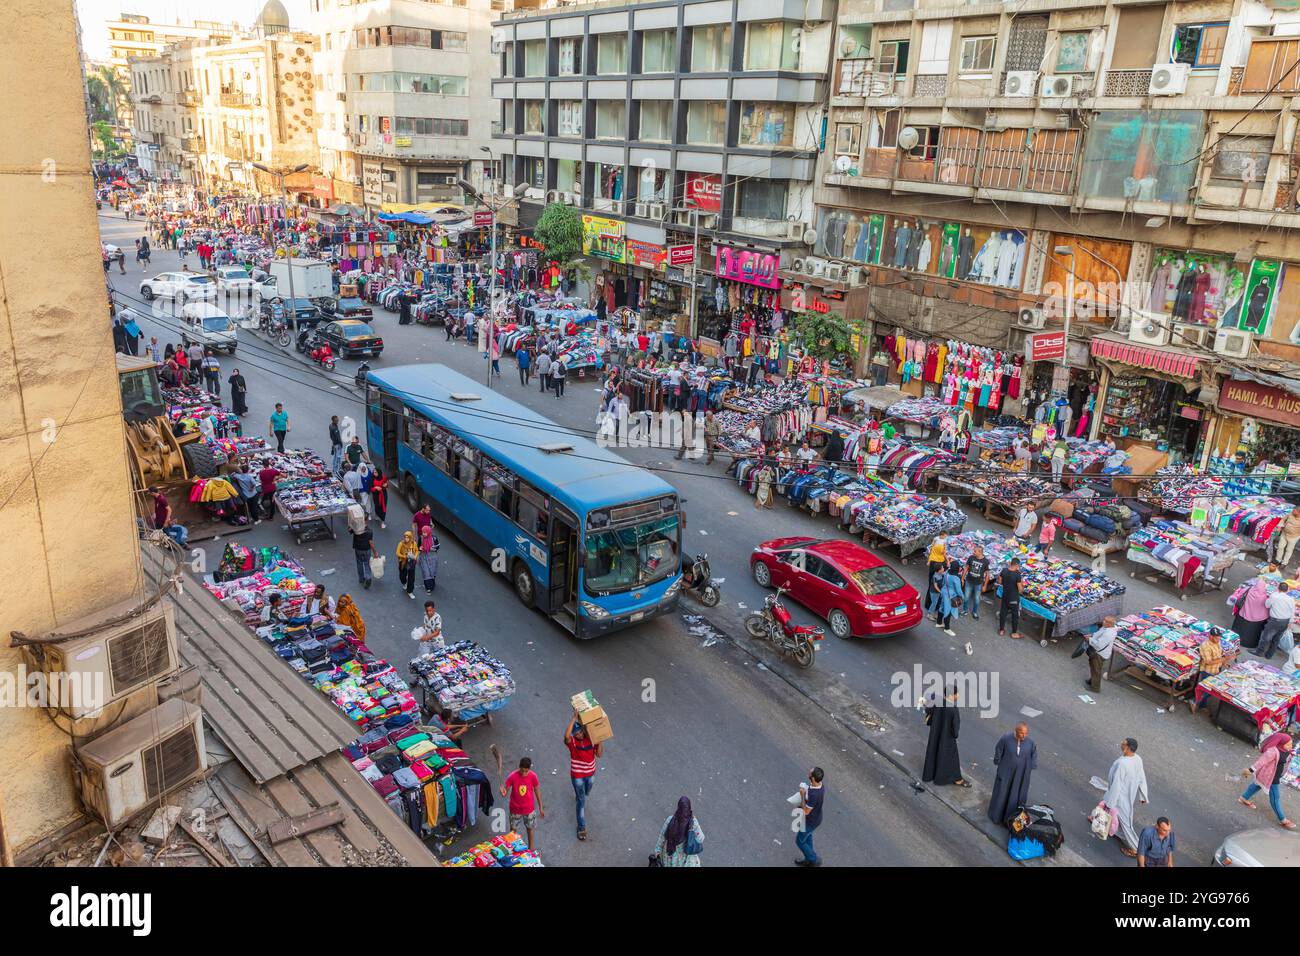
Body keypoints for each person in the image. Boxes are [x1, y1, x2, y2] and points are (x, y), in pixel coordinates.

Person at [1101, 737, 1149, 857]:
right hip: (1126, 794)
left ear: (1127, 748)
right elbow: (1141, 776)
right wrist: (1143, 795)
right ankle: (1103, 823)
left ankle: (1136, 848)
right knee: (1115, 814)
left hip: (1120, 798)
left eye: (1124, 743)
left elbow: (1117, 784)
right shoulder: (1137, 758)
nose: (1121, 743)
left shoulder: (1122, 763)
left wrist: (1110, 804)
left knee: (1126, 822)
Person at [1239, 732, 1296, 829]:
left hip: (1272, 776)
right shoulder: (1273, 751)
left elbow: (1286, 759)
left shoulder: (1286, 750)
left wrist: (1292, 754)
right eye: (1288, 744)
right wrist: (1250, 770)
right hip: (1270, 777)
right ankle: (1283, 819)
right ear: (1281, 743)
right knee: (1275, 798)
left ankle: (1243, 798)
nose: (1291, 746)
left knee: (1256, 785)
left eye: (1291, 744)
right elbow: (1261, 762)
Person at [988, 723, 1037, 825]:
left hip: (1020, 776)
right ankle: (996, 817)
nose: (1024, 736)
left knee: (1015, 797)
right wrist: (998, 761)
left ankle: (1010, 821)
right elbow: (999, 750)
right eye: (1022, 733)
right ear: (1016, 731)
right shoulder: (1006, 738)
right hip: (1006, 773)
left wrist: (1030, 767)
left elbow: (1034, 755)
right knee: (1002, 793)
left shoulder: (1030, 743)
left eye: (1026, 733)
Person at [564, 712, 603, 841]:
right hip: (578, 776)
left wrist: (600, 739)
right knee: (581, 801)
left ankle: (579, 794)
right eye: (576, 733)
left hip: (590, 774)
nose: (579, 734)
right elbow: (566, 737)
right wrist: (574, 718)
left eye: (580, 732)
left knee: (587, 791)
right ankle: (581, 827)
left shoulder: (591, 739)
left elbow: (599, 755)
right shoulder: (573, 743)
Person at [922, 685, 970, 787]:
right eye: (956, 694)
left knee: (933, 754)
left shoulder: (938, 702)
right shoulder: (953, 710)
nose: (958, 695)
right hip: (946, 739)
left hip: (935, 734)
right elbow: (955, 732)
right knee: (951, 759)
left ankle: (930, 775)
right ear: (951, 695)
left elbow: (928, 705)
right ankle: (957, 779)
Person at [501, 757, 544, 851]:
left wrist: (541, 807)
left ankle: (531, 849)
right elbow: (505, 791)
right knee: (513, 830)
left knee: (530, 829)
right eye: (522, 770)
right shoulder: (512, 776)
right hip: (515, 809)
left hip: (529, 809)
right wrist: (503, 792)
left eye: (526, 771)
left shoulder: (533, 776)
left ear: (529, 769)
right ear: (519, 767)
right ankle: (512, 849)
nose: (524, 773)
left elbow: (537, 791)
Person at [654, 796, 705, 867]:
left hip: (669, 857)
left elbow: (662, 836)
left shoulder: (670, 820)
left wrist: (658, 850)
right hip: (685, 859)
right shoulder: (693, 823)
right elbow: (700, 839)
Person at [794, 767, 825, 867]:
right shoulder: (820, 785)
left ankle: (814, 860)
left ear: (812, 778)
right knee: (807, 836)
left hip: (810, 821)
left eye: (810, 773)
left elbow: (806, 812)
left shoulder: (814, 794)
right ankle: (809, 859)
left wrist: (802, 795)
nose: (808, 773)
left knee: (799, 841)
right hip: (817, 818)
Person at [1255, 581, 1295, 660]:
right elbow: (1292, 612)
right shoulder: (1291, 599)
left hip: (1275, 621)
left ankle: (1259, 652)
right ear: (1287, 590)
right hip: (1285, 622)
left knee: (1265, 637)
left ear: (1278, 588)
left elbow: (1267, 605)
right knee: (1276, 639)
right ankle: (1269, 655)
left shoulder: (1274, 596)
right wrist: (1290, 623)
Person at [1232, 576, 1272, 652]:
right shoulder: (1264, 597)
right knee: (1252, 633)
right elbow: (1266, 607)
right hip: (1257, 619)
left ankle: (1235, 640)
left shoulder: (1249, 591)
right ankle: (1250, 644)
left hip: (1244, 614)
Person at [1085, 615, 1117, 693]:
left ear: (1110, 624)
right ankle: (1092, 681)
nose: (1103, 622)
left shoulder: (1108, 634)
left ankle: (1095, 688)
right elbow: (1099, 633)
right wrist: (1092, 635)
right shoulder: (1108, 628)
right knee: (1094, 667)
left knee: (1096, 669)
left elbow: (1099, 645)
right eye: (1104, 620)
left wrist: (1090, 639)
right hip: (1102, 652)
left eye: (1106, 621)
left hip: (1100, 654)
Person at [933, 560, 964, 636]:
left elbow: (943, 582)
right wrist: (963, 596)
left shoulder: (947, 572)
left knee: (942, 608)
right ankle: (947, 628)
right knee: (948, 611)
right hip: (951, 595)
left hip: (944, 592)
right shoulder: (955, 578)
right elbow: (958, 590)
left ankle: (939, 623)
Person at [998, 557, 1025, 639]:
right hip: (1014, 598)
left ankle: (1001, 630)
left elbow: (999, 581)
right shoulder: (1017, 574)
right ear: (1016, 565)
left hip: (1005, 596)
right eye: (1018, 566)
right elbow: (1020, 590)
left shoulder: (1004, 570)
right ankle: (1014, 633)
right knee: (1015, 615)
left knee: (1003, 613)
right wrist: (1022, 583)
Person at [962, 545, 989, 621]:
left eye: (975, 551)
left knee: (977, 599)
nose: (973, 552)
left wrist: (985, 585)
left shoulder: (985, 561)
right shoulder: (971, 558)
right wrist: (962, 578)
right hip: (969, 581)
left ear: (980, 552)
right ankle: (965, 610)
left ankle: (974, 612)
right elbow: (966, 568)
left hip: (978, 583)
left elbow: (987, 574)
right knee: (966, 597)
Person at [396, 531, 420, 599]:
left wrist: (415, 556)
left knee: (411, 577)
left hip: (411, 562)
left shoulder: (414, 543)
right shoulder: (401, 544)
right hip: (403, 562)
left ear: (410, 537)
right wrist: (405, 556)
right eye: (405, 537)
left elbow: (417, 550)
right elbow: (397, 553)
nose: (406, 539)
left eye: (408, 537)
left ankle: (410, 591)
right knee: (402, 575)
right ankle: (404, 582)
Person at [418, 524, 440, 593]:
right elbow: (418, 546)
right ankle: (428, 587)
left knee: (432, 572)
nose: (423, 534)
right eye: (423, 532)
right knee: (426, 572)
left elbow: (437, 547)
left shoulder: (434, 538)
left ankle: (432, 584)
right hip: (424, 557)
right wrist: (420, 548)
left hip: (433, 558)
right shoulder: (421, 538)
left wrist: (432, 549)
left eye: (425, 532)